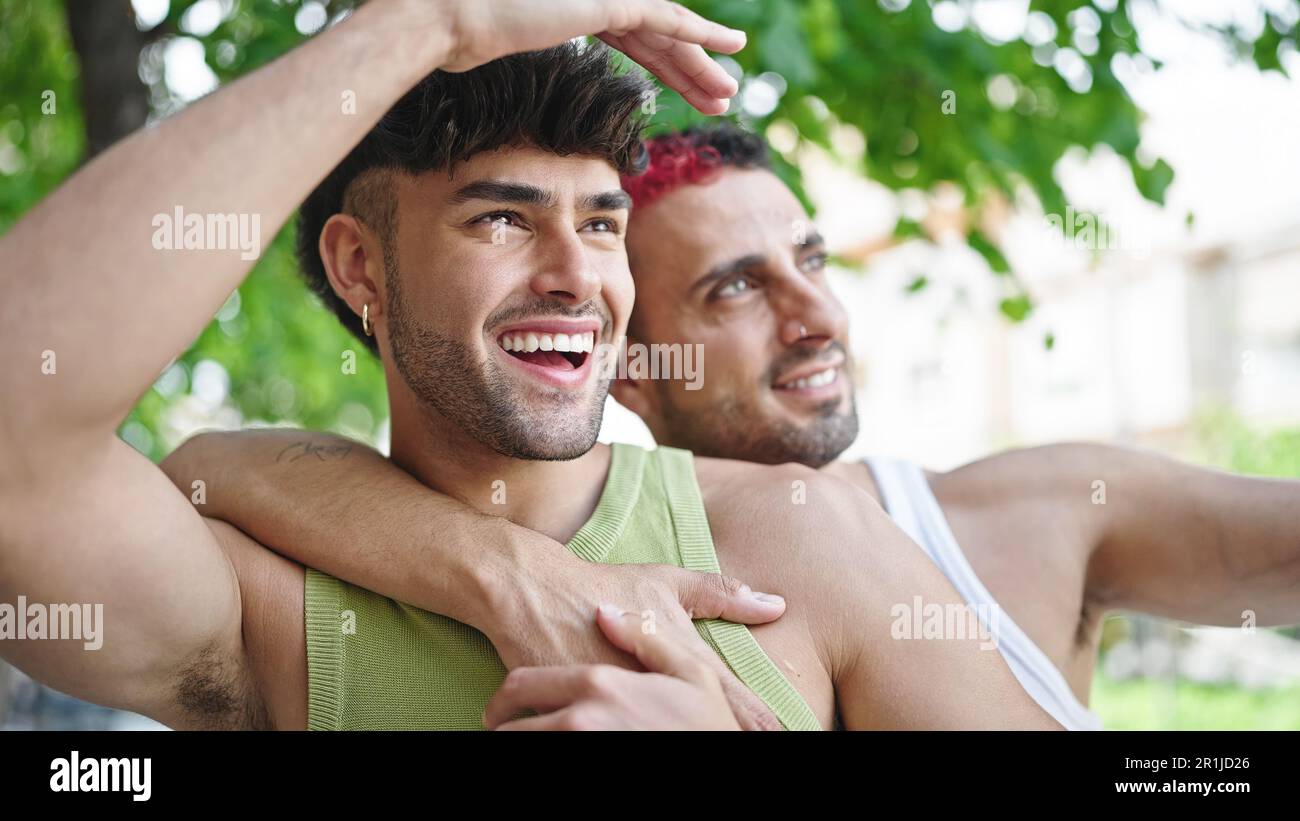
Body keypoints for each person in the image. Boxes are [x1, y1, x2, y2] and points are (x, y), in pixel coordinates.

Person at [0, 0, 1056, 730]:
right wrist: (421, 25)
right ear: (359, 266)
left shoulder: (802, 540)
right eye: (502, 219)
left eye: (601, 226)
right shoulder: (265, 599)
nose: (574, 276)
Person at [170, 124, 1300, 730]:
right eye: (735, 289)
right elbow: (212, 463)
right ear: (621, 365)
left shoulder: (1037, 511)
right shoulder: (573, 563)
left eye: (809, 261)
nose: (816, 317)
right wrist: (503, 568)